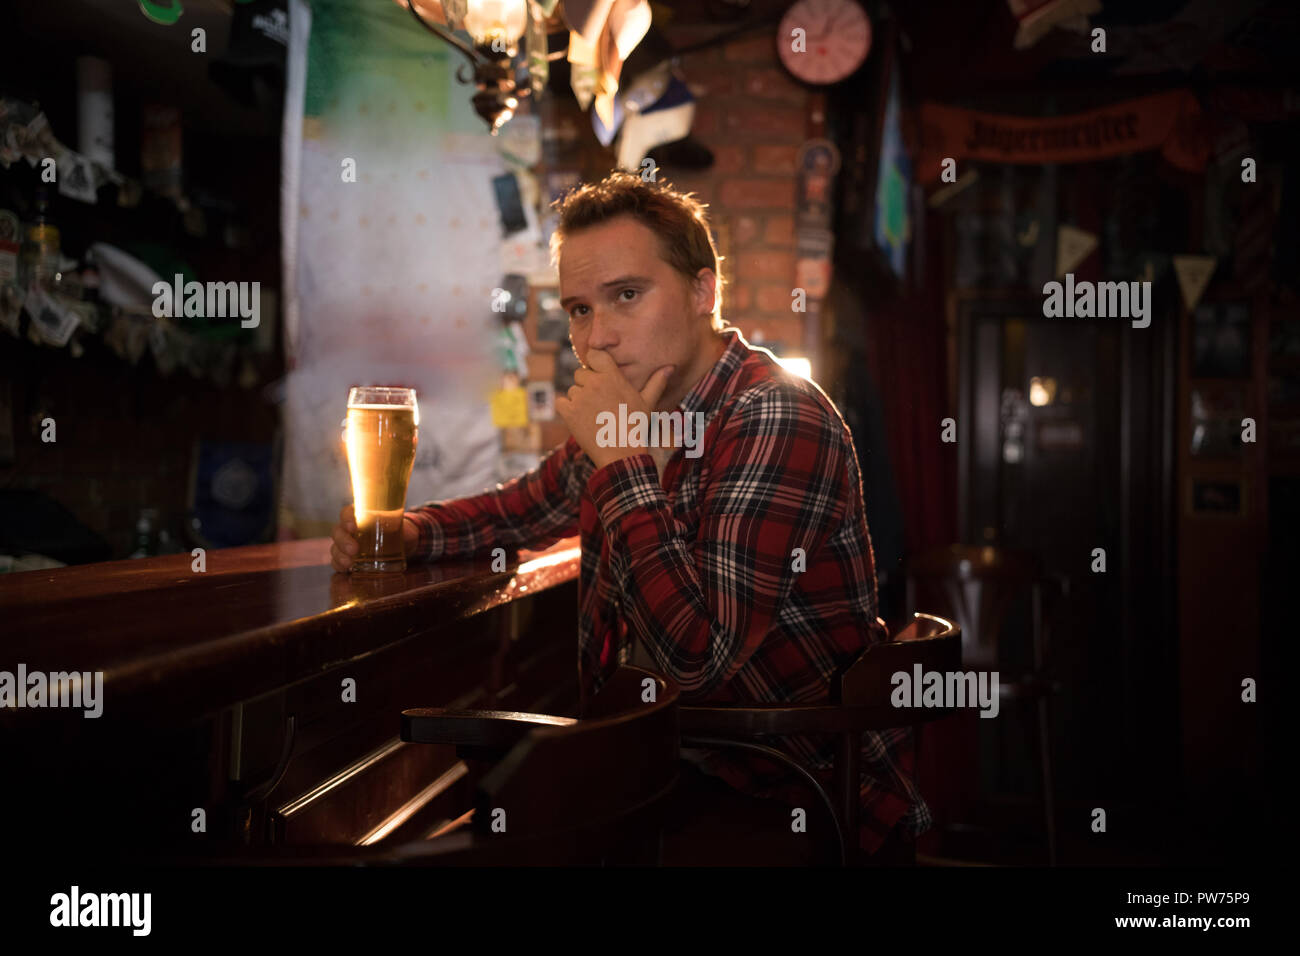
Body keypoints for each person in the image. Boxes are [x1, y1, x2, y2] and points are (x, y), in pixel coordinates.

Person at [330, 170, 929, 863]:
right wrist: (410, 532)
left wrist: (620, 463)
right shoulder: (638, 405)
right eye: (580, 309)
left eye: (626, 295)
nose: (599, 337)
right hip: (675, 764)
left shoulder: (774, 412)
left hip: (783, 789)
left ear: (704, 292)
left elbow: (699, 659)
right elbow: (524, 508)